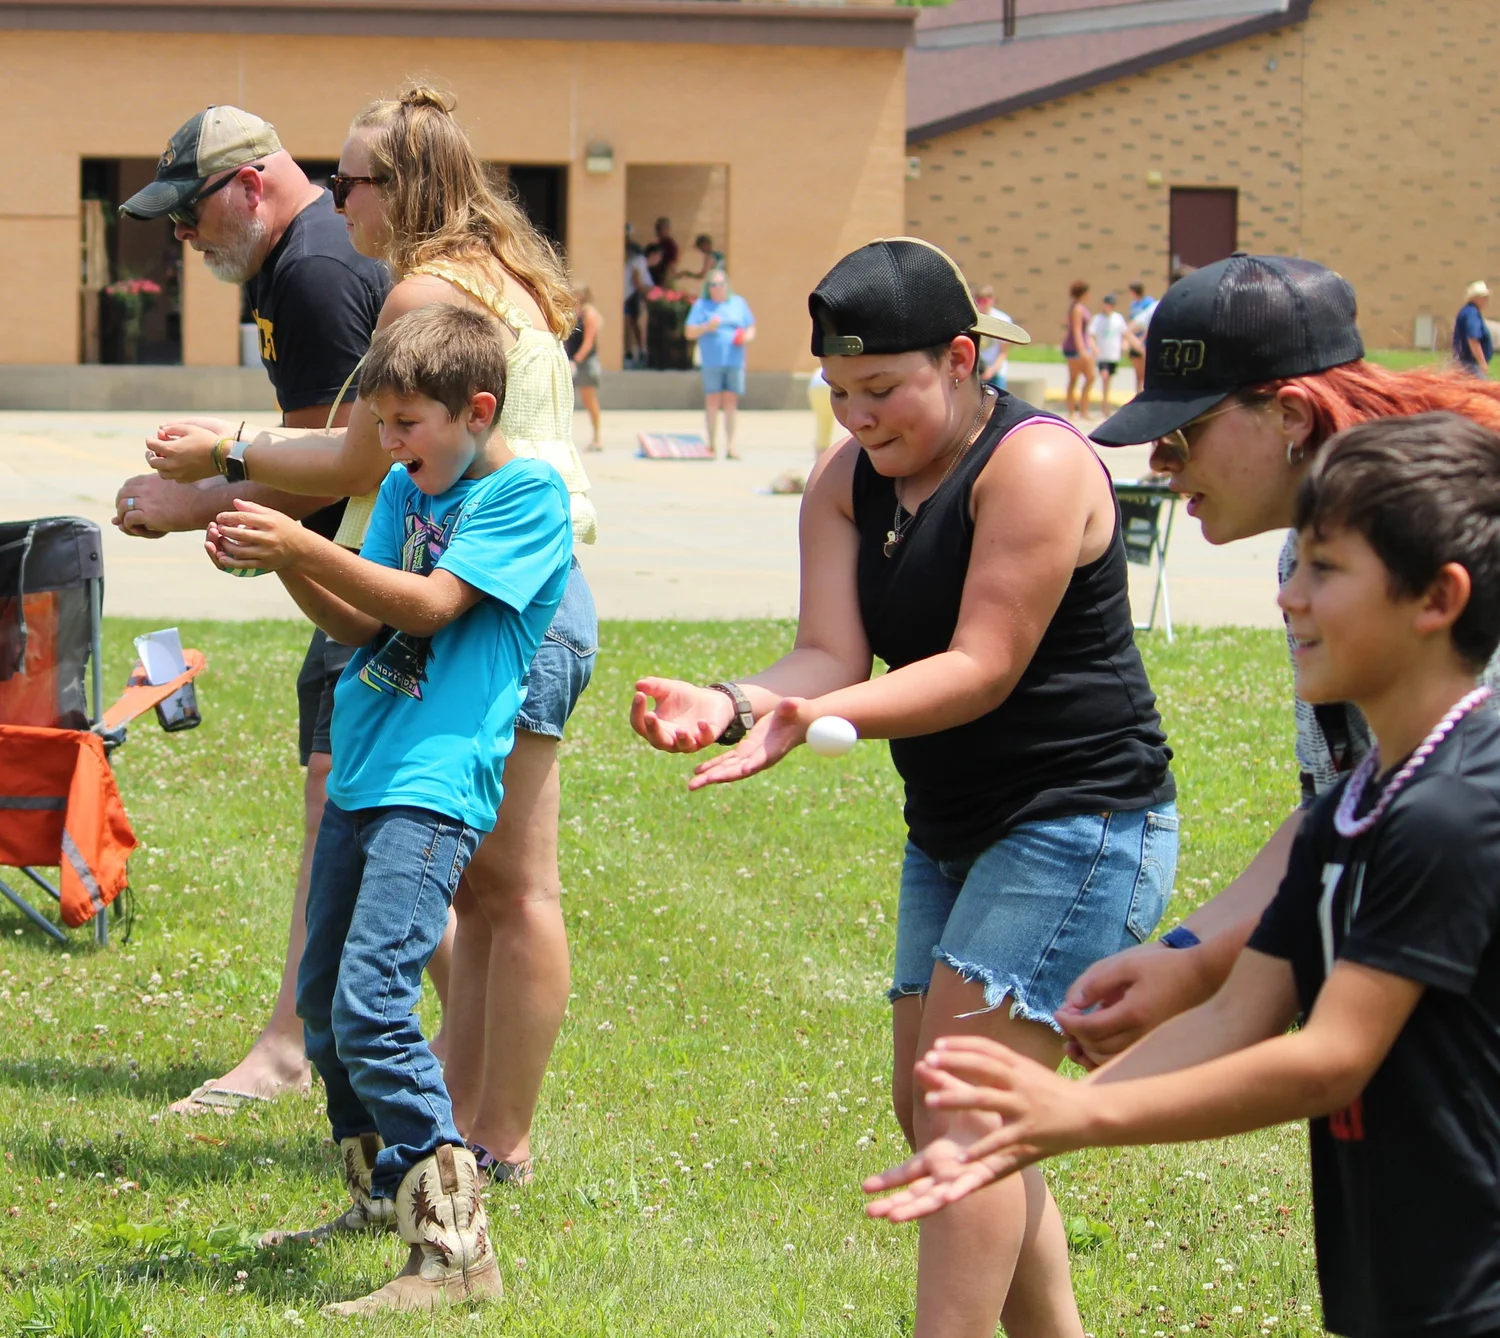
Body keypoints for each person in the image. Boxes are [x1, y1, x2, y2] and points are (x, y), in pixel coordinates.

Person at [630, 238, 1177, 1338]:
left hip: (1083, 822)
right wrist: (736, 700)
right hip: (958, 830)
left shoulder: (1038, 463)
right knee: (940, 1106)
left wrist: (809, 719)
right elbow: (830, 654)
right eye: (838, 393)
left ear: (963, 357)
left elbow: (981, 668)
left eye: (882, 390)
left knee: (959, 1113)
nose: (857, 418)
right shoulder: (848, 482)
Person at [865, 412, 1500, 1338]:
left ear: (1436, 600)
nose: (1291, 599)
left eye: (1326, 570)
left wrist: (1072, 1120)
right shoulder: (1352, 808)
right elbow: (1239, 1014)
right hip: (1393, 1279)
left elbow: (1328, 1061)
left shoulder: (1451, 813)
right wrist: (1040, 1117)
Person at [142, 87, 599, 1189]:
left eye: (349, 179)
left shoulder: (428, 291)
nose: (336, 195)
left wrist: (219, 456)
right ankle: (479, 1131)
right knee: (490, 892)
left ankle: (497, 1142)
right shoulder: (500, 272)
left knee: (514, 888)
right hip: (516, 582)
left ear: (401, 187)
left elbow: (357, 461)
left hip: (503, 593)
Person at [1050, 253, 1500, 1071]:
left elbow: (1421, 837)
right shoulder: (1316, 555)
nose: (1160, 464)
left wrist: (1199, 973)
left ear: (1291, 414)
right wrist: (1186, 953)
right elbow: (1344, 809)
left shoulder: (1447, 539)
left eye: (1182, 431)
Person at [220, 302, 572, 1314]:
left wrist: (299, 535)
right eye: (381, 424)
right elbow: (362, 619)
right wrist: (287, 559)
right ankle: (385, 1199)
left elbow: (428, 606)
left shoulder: (523, 496)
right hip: (368, 770)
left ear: (479, 408)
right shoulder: (405, 492)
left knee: (376, 1002)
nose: (390, 443)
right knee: (329, 1010)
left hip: (434, 784)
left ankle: (458, 1251)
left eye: (408, 423)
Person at [112, 105, 402, 1115]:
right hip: (355, 573)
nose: (184, 239)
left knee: (348, 812)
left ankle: (291, 1043)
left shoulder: (317, 269)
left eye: (190, 216)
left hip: (371, 577)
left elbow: (328, 465)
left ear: (250, 186)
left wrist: (188, 502)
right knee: (368, 819)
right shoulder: (299, 265)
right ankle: (425, 1058)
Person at [684, 270, 755, 460]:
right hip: (711, 361)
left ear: (727, 285)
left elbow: (750, 326)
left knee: (731, 402)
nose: (717, 288)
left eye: (720, 284)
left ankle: (731, 446)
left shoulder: (738, 303)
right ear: (708, 288)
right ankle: (711, 444)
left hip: (734, 359)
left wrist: (748, 335)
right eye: (713, 285)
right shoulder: (701, 306)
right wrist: (707, 326)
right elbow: (689, 332)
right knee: (712, 401)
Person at [567, 283, 604, 451]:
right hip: (571, 360)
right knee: (566, 401)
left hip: (586, 362)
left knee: (589, 400)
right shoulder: (574, 313)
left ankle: (597, 438)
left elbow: (588, 342)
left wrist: (576, 360)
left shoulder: (589, 314)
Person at [1088, 293, 1135, 410]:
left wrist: (1125, 343)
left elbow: (1124, 332)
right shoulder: (1097, 319)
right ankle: (1104, 405)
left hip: (1113, 354)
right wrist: (1094, 347)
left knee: (1108, 379)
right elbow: (1090, 335)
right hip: (1102, 354)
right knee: (1104, 376)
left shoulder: (1117, 318)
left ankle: (1105, 402)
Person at [1062, 279, 1096, 420]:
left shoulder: (1079, 307)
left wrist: (1092, 345)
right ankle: (1076, 410)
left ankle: (1080, 409)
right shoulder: (1077, 308)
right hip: (1075, 348)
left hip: (1080, 345)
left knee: (1085, 378)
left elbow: (1085, 331)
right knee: (1083, 377)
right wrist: (1082, 350)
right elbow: (1076, 330)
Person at [973, 284, 1013, 390]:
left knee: (999, 401)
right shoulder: (972, 318)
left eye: (985, 300)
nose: (982, 304)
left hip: (996, 369)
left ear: (992, 300)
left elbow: (1003, 352)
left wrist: (991, 370)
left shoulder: (1002, 320)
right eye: (979, 300)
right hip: (977, 368)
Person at [623, 229, 652, 367]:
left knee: (631, 324)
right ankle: (638, 351)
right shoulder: (638, 260)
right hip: (630, 295)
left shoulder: (631, 259)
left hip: (627, 295)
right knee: (633, 324)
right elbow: (637, 281)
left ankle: (632, 351)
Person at [1454, 279, 1492, 377]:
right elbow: (1473, 339)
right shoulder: (1472, 314)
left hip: (1463, 364)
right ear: (1476, 298)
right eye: (1484, 298)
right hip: (1471, 366)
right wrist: (1482, 363)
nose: (1486, 301)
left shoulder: (1466, 311)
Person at [1126, 281, 1158, 395]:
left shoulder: (1148, 303)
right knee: (1138, 372)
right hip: (1135, 341)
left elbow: (1149, 323)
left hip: (1144, 340)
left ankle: (1145, 393)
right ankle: (1137, 393)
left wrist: (1143, 339)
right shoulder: (1133, 304)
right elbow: (1132, 323)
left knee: (1146, 372)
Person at [643, 215, 679, 287]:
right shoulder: (656, 244)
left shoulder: (670, 245)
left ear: (667, 229)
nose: (657, 231)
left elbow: (671, 265)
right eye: (657, 228)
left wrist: (664, 284)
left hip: (662, 282)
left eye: (660, 228)